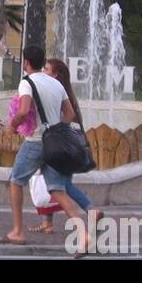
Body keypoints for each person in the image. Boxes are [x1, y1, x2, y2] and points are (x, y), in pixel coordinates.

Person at [0, 45, 88, 248]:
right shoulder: (56, 84)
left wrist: (12, 126)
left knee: (16, 181)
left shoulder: (27, 82)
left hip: (35, 142)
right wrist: (56, 129)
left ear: (27, 62)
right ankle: (83, 234)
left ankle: (18, 231)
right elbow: (70, 114)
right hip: (54, 145)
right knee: (57, 190)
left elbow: (23, 110)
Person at [27, 58, 102, 234]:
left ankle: (91, 212)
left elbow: (66, 117)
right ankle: (49, 222)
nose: (43, 71)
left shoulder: (56, 92)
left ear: (56, 74)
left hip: (58, 147)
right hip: (64, 146)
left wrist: (53, 131)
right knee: (59, 184)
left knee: (57, 184)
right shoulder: (64, 91)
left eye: (46, 69)